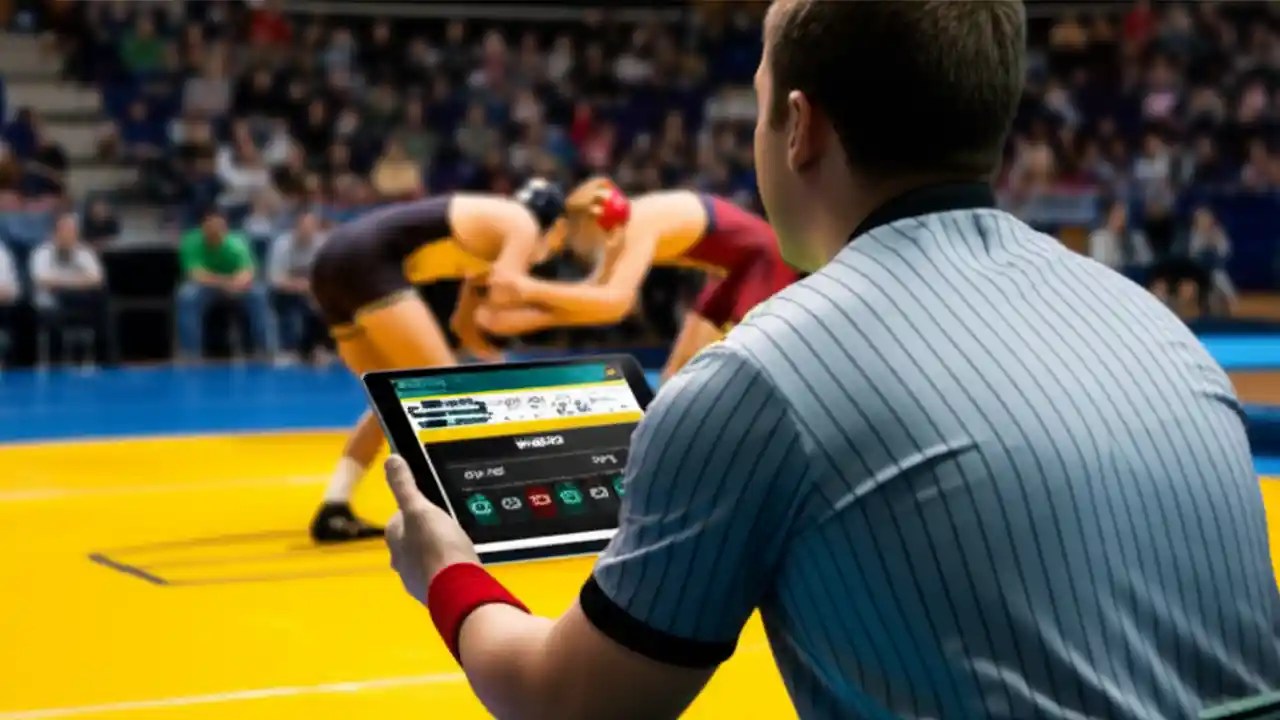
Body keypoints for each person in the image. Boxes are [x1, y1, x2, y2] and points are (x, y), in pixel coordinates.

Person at [380, 2, 1280, 719]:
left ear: (799, 127)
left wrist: (447, 572)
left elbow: (564, 703)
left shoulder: (759, 381)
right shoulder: (1157, 325)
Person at [306, 182, 566, 542]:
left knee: (391, 401)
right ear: (554, 229)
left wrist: (493, 357)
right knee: (442, 392)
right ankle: (461, 511)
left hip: (332, 262)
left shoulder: (492, 232)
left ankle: (335, 507)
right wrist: (571, 309)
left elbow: (466, 323)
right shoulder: (521, 224)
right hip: (367, 263)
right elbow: (505, 297)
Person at [480, 180, 798, 380]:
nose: (574, 254)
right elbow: (594, 299)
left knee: (713, 379)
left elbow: (615, 303)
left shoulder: (636, 224)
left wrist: (526, 289)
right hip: (735, 269)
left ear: (585, 226)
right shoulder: (618, 227)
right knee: (676, 380)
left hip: (761, 264)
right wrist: (523, 316)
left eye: (571, 244)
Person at [175, 207, 276, 361]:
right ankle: (190, 354)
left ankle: (266, 351)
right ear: (203, 228)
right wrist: (224, 283)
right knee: (187, 296)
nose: (216, 231)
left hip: (235, 287)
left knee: (258, 294)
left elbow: (248, 271)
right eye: (212, 227)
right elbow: (195, 274)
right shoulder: (191, 241)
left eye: (220, 227)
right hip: (206, 287)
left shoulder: (236, 242)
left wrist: (237, 283)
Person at [30, 213, 113, 365]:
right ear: (55, 233)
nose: (69, 235)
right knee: (61, 301)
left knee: (102, 300)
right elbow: (42, 281)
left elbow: (97, 280)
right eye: (65, 231)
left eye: (72, 231)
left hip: (81, 303)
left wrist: (63, 283)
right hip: (51, 305)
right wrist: (78, 282)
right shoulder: (42, 252)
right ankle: (57, 364)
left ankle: (106, 362)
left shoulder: (84, 252)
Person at [268, 210, 327, 363]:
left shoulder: (322, 244)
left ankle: (317, 348)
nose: (307, 230)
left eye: (311, 226)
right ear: (296, 227)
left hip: (314, 290)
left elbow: (328, 275)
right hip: (286, 292)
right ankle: (287, 350)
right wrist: (300, 286)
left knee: (324, 303)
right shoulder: (282, 244)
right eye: (304, 226)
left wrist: (312, 289)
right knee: (287, 303)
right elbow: (275, 279)